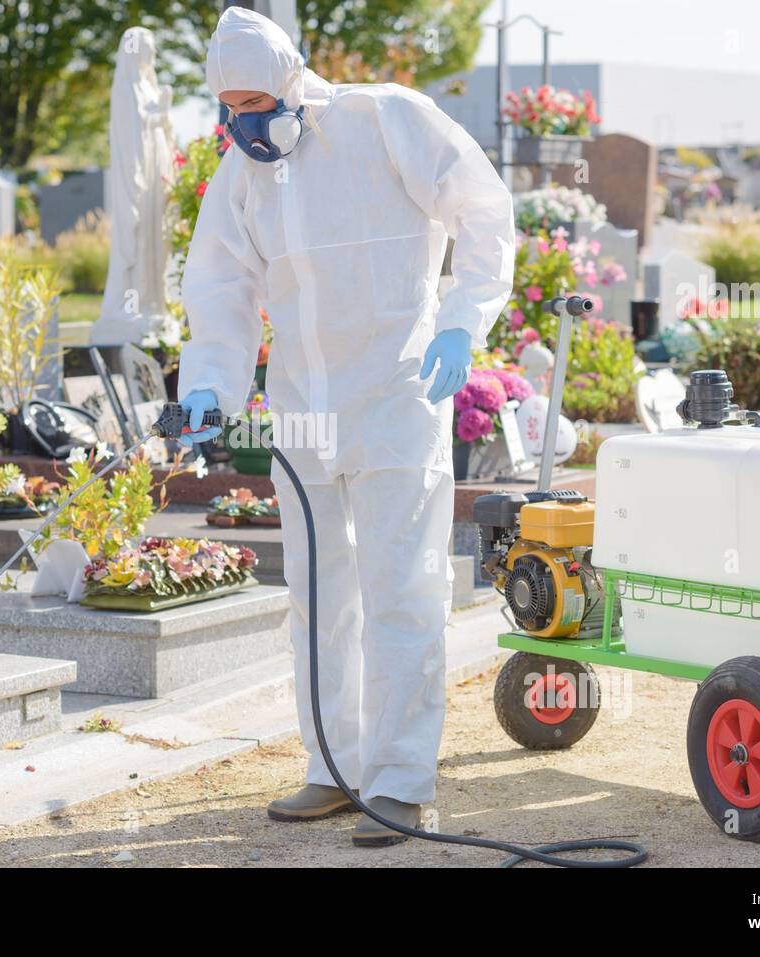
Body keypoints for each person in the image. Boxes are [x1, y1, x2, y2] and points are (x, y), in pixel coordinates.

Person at [177, 7, 514, 847]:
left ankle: (400, 781)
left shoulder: (385, 118)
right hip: (305, 412)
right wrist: (210, 388)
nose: (248, 126)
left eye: (259, 104)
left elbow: (481, 211)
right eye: (233, 111)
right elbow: (219, 287)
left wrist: (463, 319)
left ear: (295, 82)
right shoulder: (243, 175)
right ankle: (333, 766)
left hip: (400, 396)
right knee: (319, 597)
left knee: (401, 589)